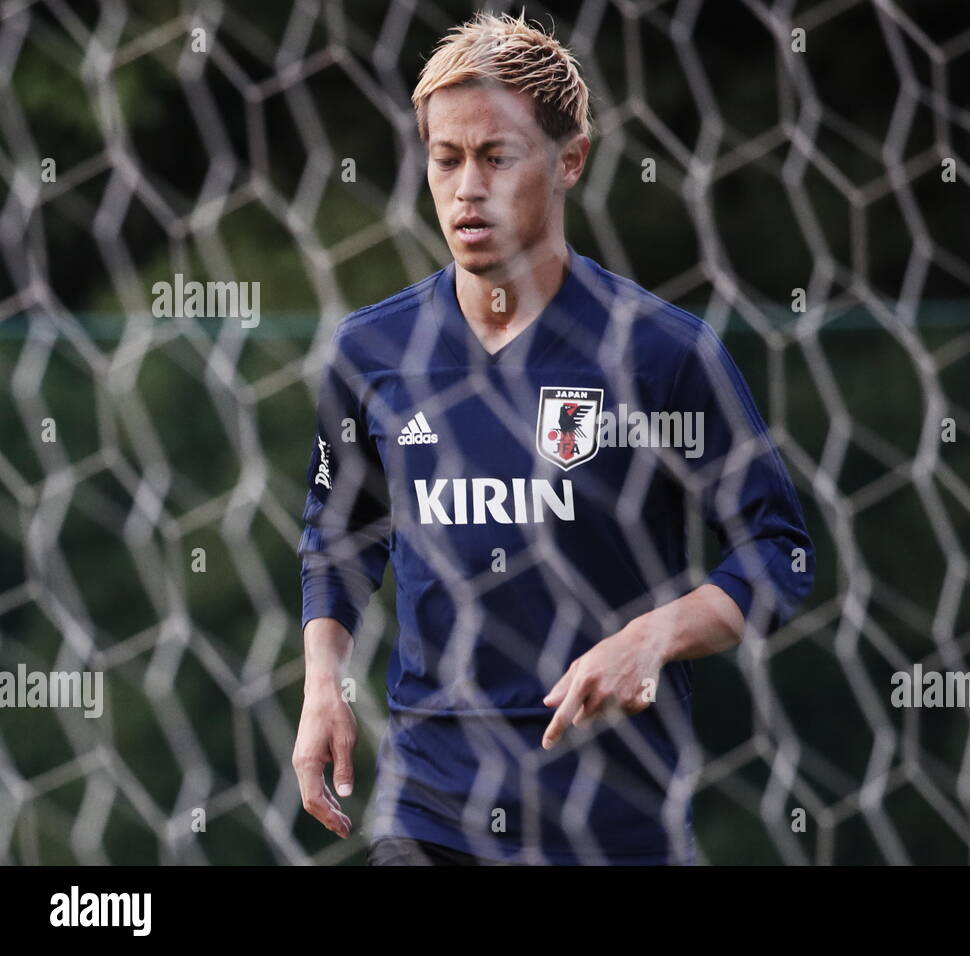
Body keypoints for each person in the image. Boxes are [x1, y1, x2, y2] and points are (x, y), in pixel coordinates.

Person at [292, 10, 815, 866]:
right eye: (446, 159)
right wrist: (323, 682)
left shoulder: (661, 354)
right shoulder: (373, 351)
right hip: (433, 815)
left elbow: (779, 553)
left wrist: (652, 638)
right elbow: (340, 535)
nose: (468, 188)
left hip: (616, 825)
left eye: (497, 157)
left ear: (570, 160)